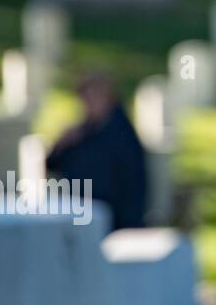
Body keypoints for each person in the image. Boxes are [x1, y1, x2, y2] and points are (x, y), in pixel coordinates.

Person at [46, 72, 147, 231]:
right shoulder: (84, 132)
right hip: (79, 212)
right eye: (85, 98)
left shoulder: (120, 134)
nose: (89, 104)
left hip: (111, 219)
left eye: (95, 97)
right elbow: (52, 164)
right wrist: (62, 145)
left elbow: (127, 186)